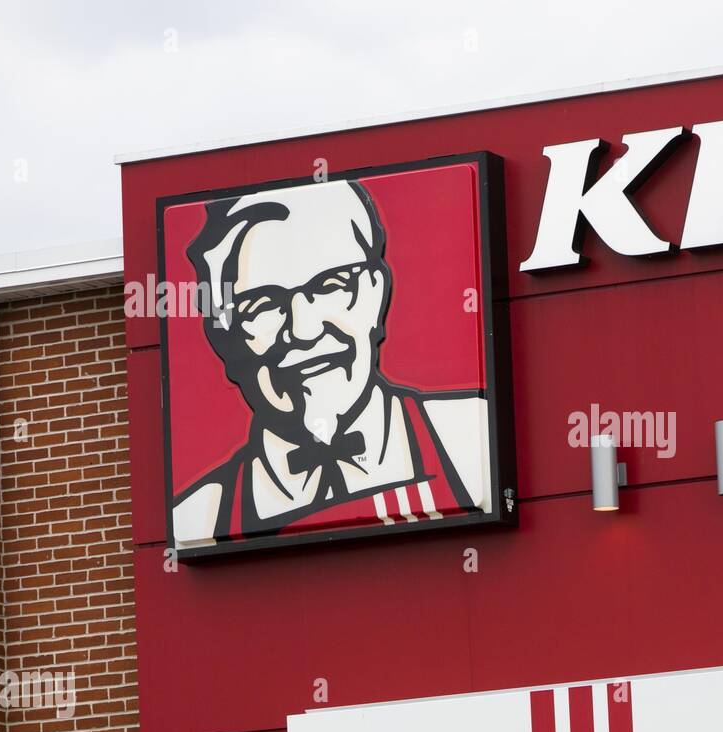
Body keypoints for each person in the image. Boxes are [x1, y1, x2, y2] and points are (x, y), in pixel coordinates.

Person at [171, 178, 489, 550]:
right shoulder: (198, 519)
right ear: (223, 337)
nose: (304, 330)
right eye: (262, 305)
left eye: (331, 285)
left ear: (375, 294)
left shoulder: (473, 438)